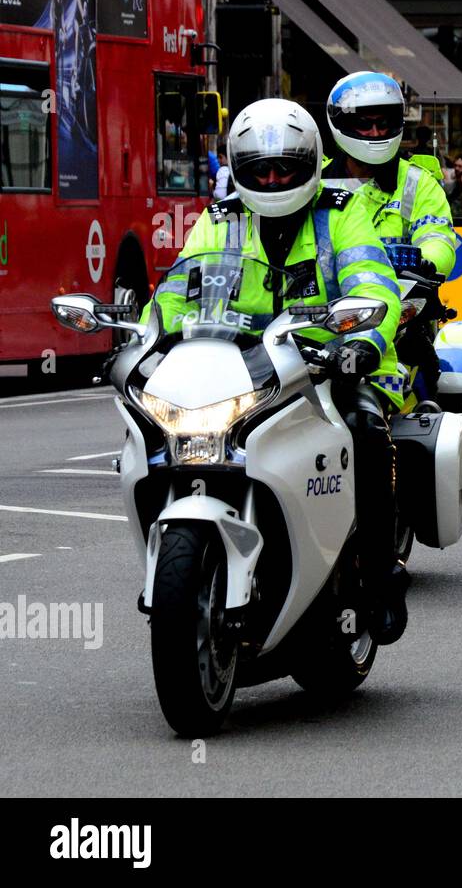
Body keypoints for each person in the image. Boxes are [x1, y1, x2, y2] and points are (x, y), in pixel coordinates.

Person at [150, 99, 410, 643]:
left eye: (284, 167)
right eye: (258, 169)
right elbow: (178, 288)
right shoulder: (221, 217)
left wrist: (360, 340)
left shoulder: (341, 210)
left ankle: (379, 573)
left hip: (326, 368)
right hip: (240, 368)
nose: (271, 179)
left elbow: (373, 282)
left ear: (309, 164)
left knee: (366, 429)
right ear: (239, 170)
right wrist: (152, 339)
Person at [322, 71, 457, 277]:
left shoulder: (417, 181)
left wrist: (426, 264)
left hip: (404, 296)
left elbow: (437, 236)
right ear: (343, 124)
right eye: (364, 124)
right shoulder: (317, 182)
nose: (376, 133)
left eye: (383, 124)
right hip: (330, 303)